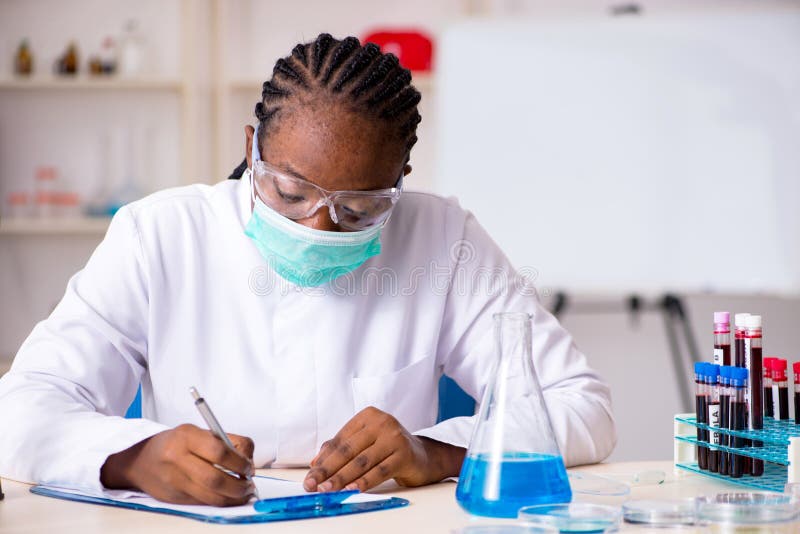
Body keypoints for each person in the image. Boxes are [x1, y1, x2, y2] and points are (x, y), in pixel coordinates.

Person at [0, 34, 616, 506]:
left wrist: (438, 451)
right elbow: (21, 411)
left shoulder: (444, 238)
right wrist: (133, 458)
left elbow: (582, 406)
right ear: (252, 150)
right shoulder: (158, 235)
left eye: (358, 208)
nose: (317, 229)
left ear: (400, 182)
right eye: (291, 195)